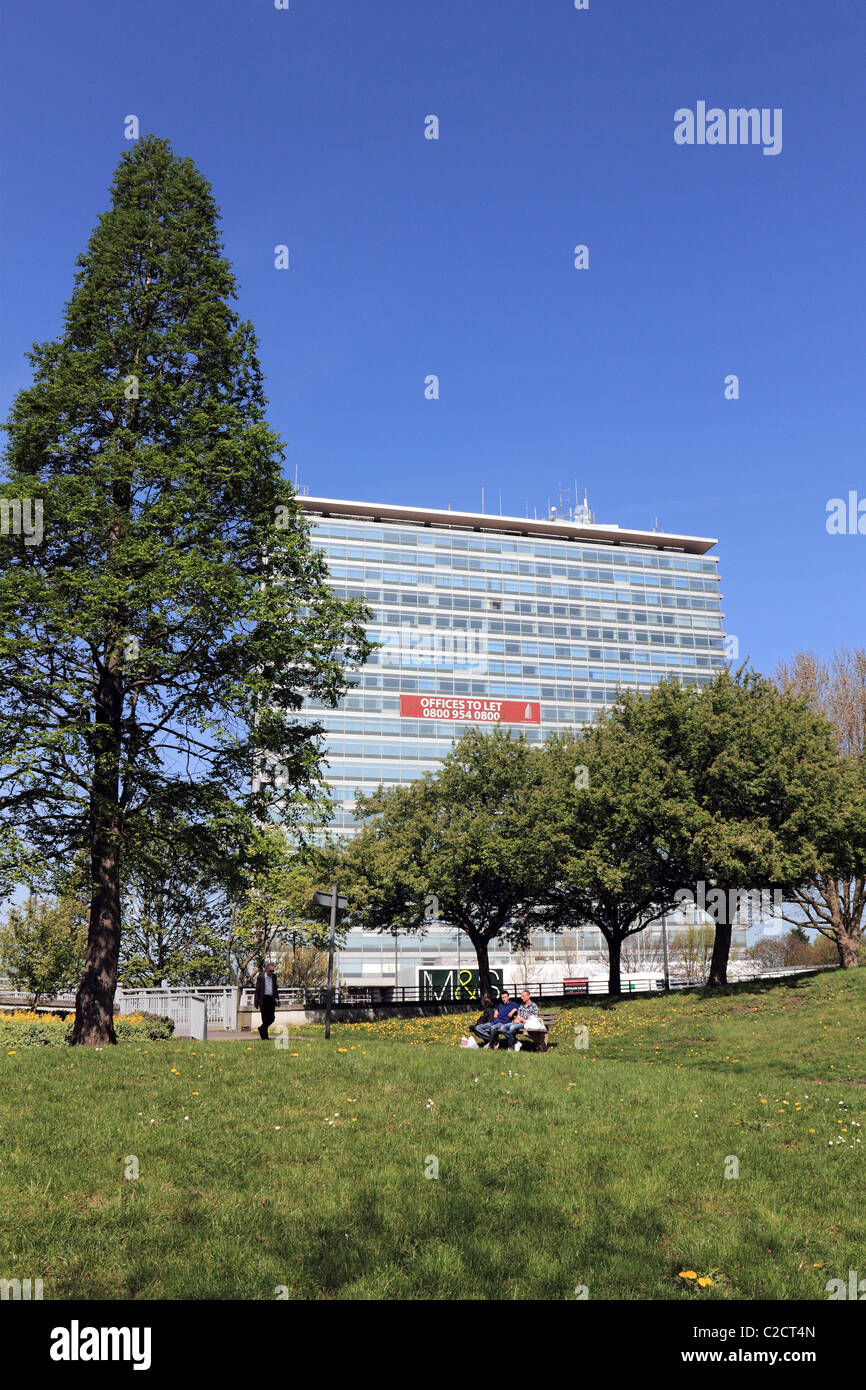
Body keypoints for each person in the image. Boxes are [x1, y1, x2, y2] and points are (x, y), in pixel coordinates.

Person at [254, 962, 280, 1040]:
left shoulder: (274, 977)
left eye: (273, 971)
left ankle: (261, 1029)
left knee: (272, 1018)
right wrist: (256, 1002)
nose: (271, 972)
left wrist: (277, 999)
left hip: (271, 998)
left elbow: (275, 989)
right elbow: (257, 990)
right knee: (265, 1018)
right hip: (263, 999)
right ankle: (265, 1036)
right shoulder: (261, 977)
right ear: (266, 969)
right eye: (270, 971)